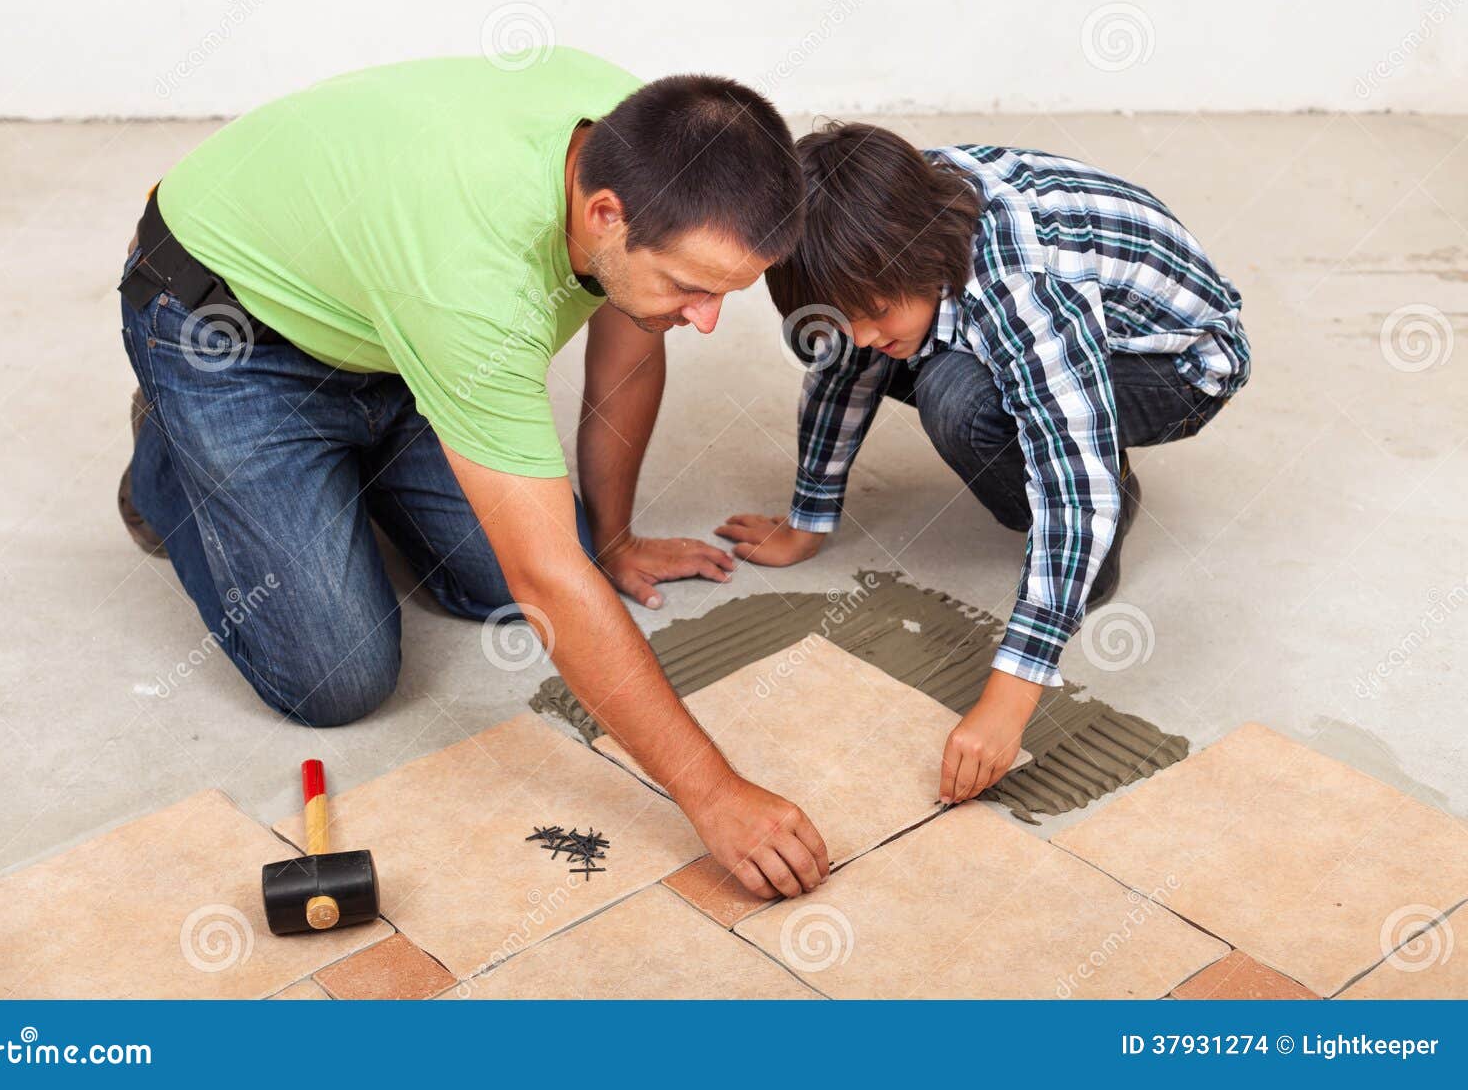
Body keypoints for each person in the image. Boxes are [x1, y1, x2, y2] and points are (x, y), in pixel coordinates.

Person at [116, 48, 826, 899]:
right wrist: (713, 794)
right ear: (604, 214)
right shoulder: (473, 278)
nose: (705, 320)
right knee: (337, 675)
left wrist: (616, 537)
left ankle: (350, 454)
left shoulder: (642, 143)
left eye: (725, 294)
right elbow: (549, 580)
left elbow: (631, 341)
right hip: (225, 327)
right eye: (689, 289)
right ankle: (173, 458)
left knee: (519, 570)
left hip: (394, 329)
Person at [718, 122, 1250, 807]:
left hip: (1178, 364)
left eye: (877, 310)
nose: (864, 334)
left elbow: (1071, 486)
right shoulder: (878, 232)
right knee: (889, 356)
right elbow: (843, 364)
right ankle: (1055, 437)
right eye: (846, 317)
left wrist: (1009, 697)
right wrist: (807, 518)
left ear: (925, 254)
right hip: (1066, 331)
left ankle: (1107, 526)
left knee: (960, 400)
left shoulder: (1020, 284)